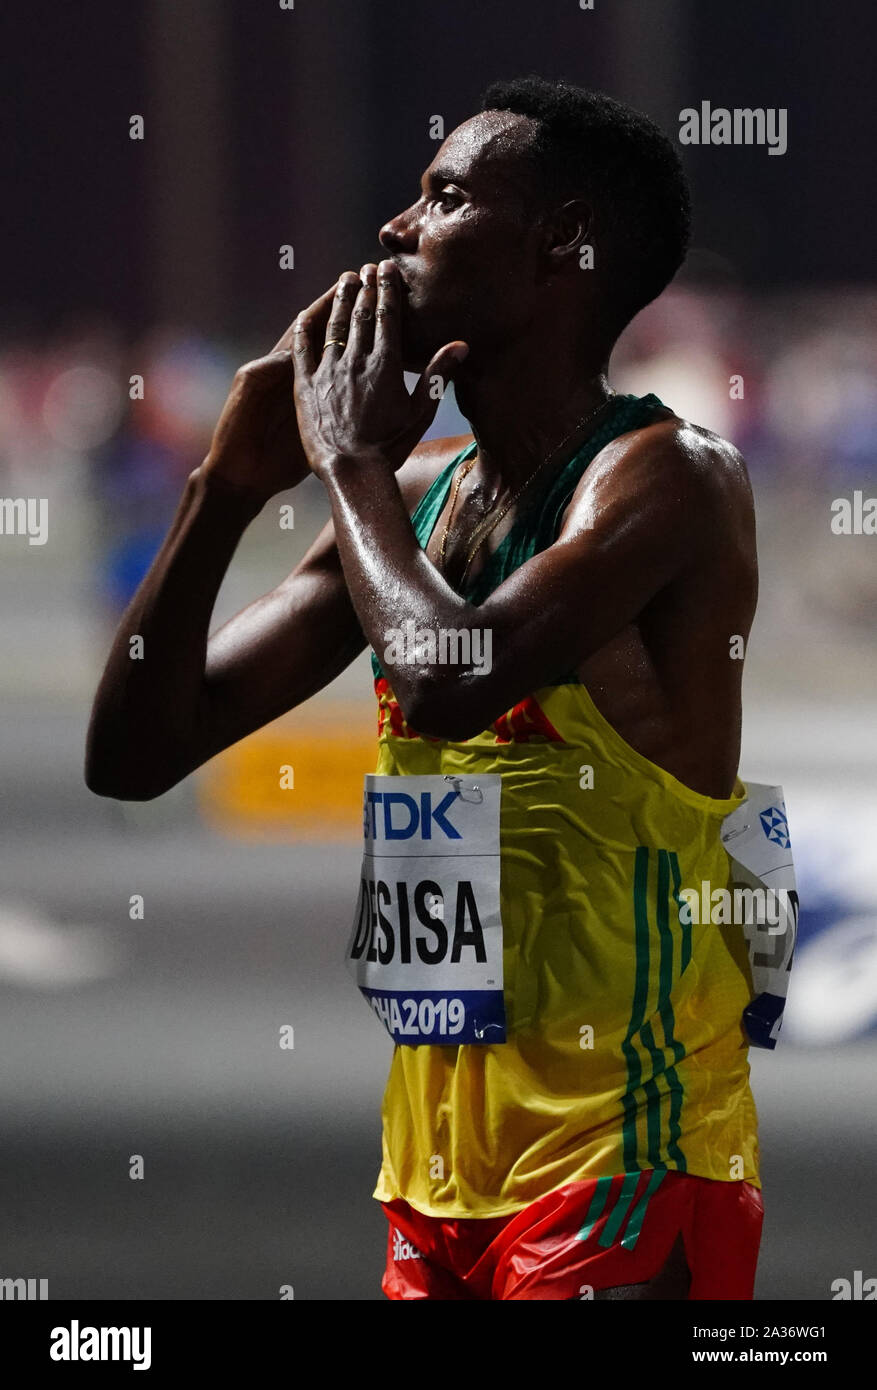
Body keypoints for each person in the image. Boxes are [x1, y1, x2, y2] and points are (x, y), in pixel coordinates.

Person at [86, 77, 761, 1300]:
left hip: (625, 1156)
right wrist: (223, 491)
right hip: (434, 1176)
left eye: (444, 198)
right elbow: (135, 752)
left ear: (560, 239)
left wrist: (345, 460)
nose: (396, 228)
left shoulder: (670, 480)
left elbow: (449, 677)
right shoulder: (425, 500)